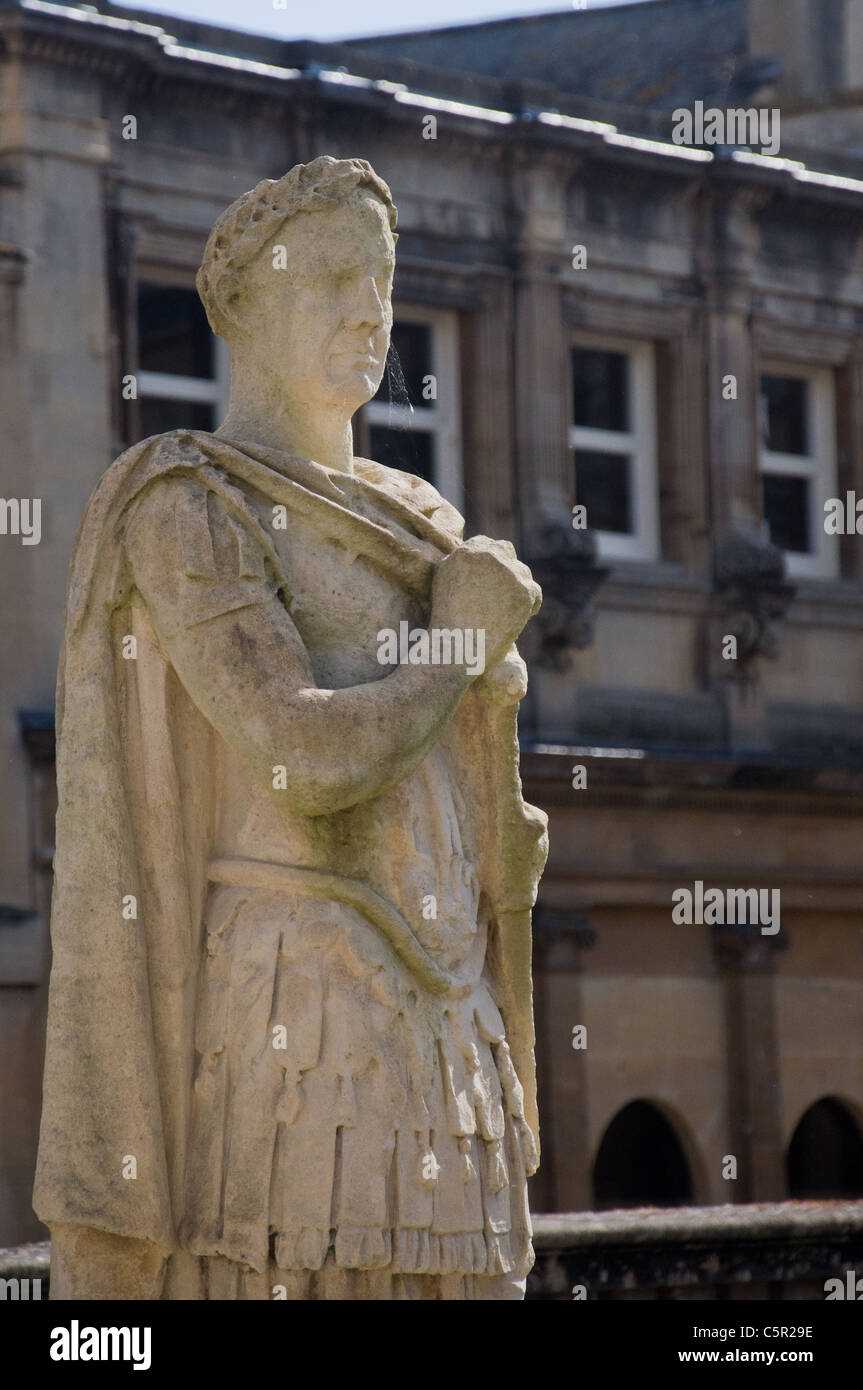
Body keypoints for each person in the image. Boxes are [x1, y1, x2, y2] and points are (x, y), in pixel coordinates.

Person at [35, 156, 548, 1300]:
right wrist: (460, 644)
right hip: (297, 1002)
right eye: (328, 275)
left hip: (448, 1015)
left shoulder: (420, 520)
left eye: (383, 276)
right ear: (241, 306)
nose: (369, 307)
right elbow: (298, 756)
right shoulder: (186, 503)